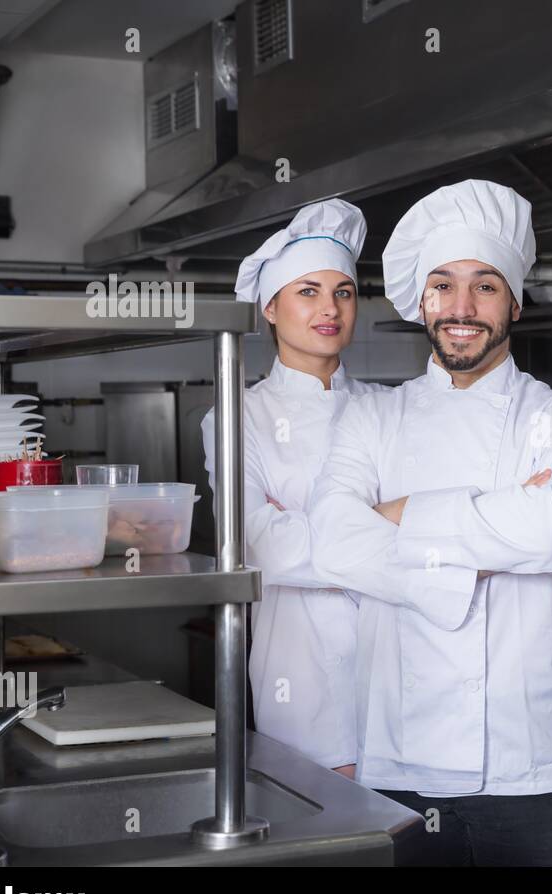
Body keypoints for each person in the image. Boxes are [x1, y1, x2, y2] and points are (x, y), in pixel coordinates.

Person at [308, 180, 552, 866]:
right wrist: (492, 536)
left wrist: (398, 514)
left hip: (532, 766)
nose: (462, 308)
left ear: (516, 302)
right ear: (421, 302)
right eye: (443, 286)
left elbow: (551, 529)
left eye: (486, 286)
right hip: (400, 764)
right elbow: (333, 544)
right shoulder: (370, 416)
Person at [202, 198, 382, 775]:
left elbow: (437, 542)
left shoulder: (394, 408)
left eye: (343, 292)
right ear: (271, 308)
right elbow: (266, 550)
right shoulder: (234, 418)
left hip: (406, 677)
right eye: (308, 291)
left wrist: (310, 526)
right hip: (302, 685)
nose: (329, 308)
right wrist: (386, 521)